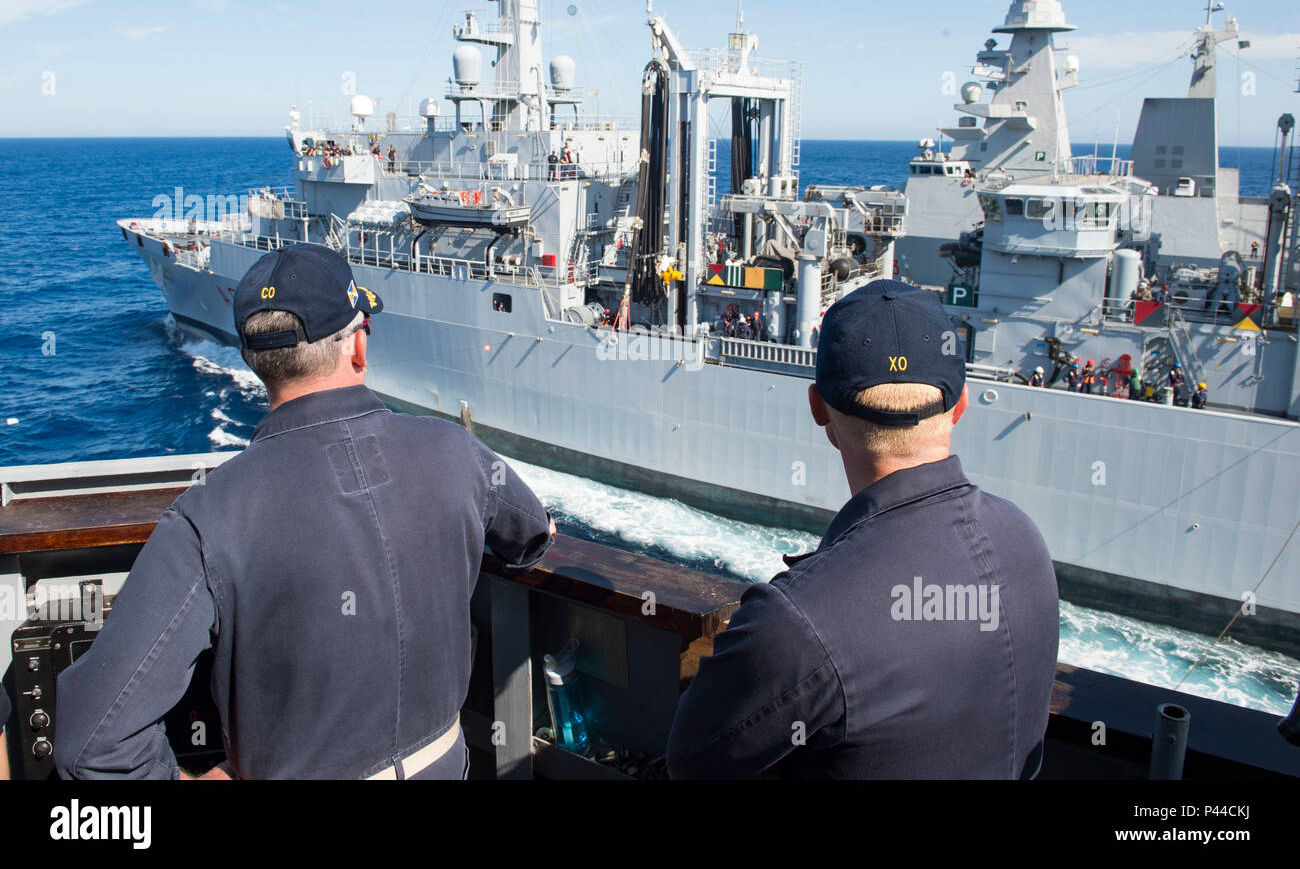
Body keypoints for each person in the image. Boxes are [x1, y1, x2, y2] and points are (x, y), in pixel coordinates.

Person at [55, 244, 555, 780]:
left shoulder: (207, 517)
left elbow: (92, 744)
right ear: (358, 344)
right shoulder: (455, 450)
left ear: (251, 360)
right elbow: (533, 536)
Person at [666, 280, 1059, 778]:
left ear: (818, 409)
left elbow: (690, 764)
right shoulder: (1025, 541)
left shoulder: (795, 621)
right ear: (959, 406)